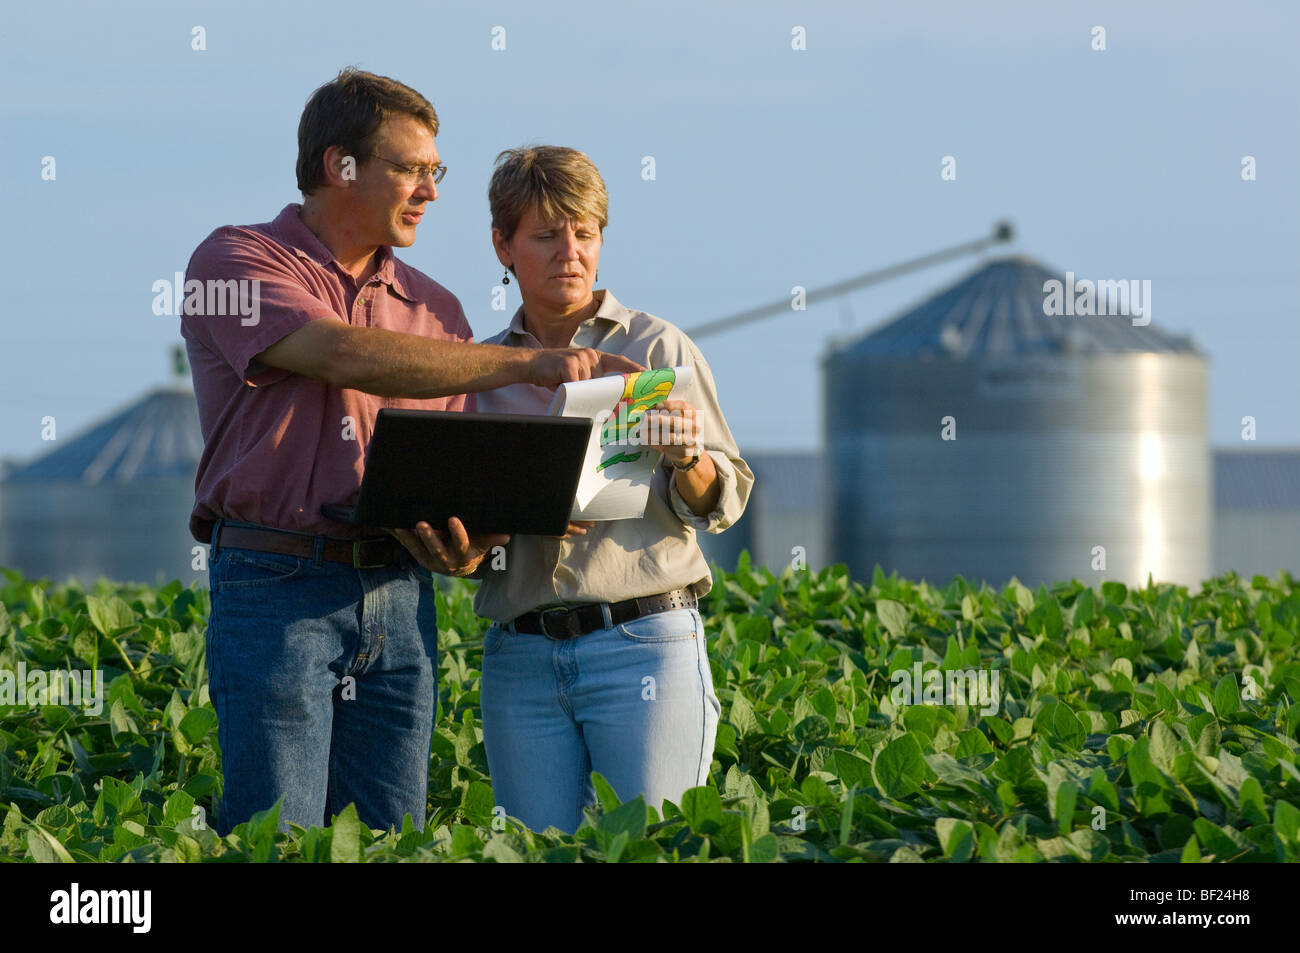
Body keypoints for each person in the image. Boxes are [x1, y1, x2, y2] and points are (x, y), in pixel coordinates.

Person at [181, 71, 639, 837]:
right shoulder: (233, 262)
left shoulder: (439, 308)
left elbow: (450, 465)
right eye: (410, 168)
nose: (429, 190)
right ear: (341, 166)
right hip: (277, 584)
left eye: (436, 172)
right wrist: (531, 364)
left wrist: (475, 540)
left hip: (398, 591)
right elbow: (342, 354)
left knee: (391, 840)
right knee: (278, 839)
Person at [472, 145, 754, 834]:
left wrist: (687, 458)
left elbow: (726, 496)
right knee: (535, 852)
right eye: (545, 234)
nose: (570, 251)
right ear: (503, 245)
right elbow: (465, 529)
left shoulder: (659, 348)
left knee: (653, 847)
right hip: (522, 654)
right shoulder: (481, 370)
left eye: (585, 232)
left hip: (642, 642)